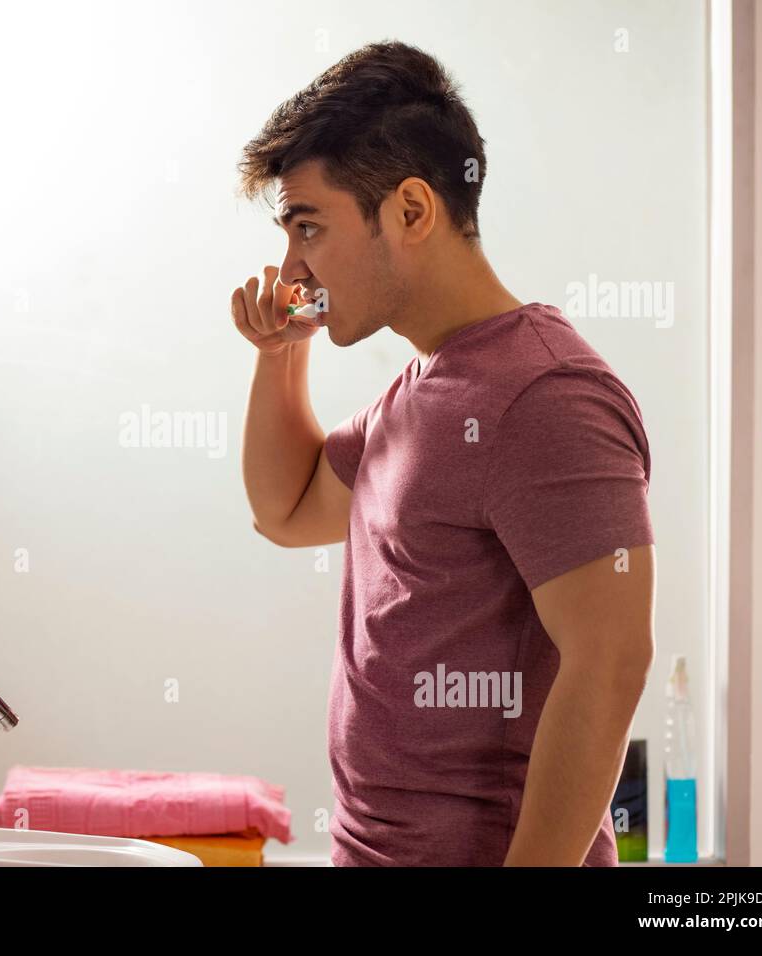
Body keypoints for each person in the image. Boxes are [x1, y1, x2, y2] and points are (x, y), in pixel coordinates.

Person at [232, 40, 656, 866]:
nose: (291, 271)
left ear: (413, 211)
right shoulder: (424, 389)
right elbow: (283, 510)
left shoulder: (548, 394)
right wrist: (280, 351)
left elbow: (611, 662)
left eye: (308, 228)